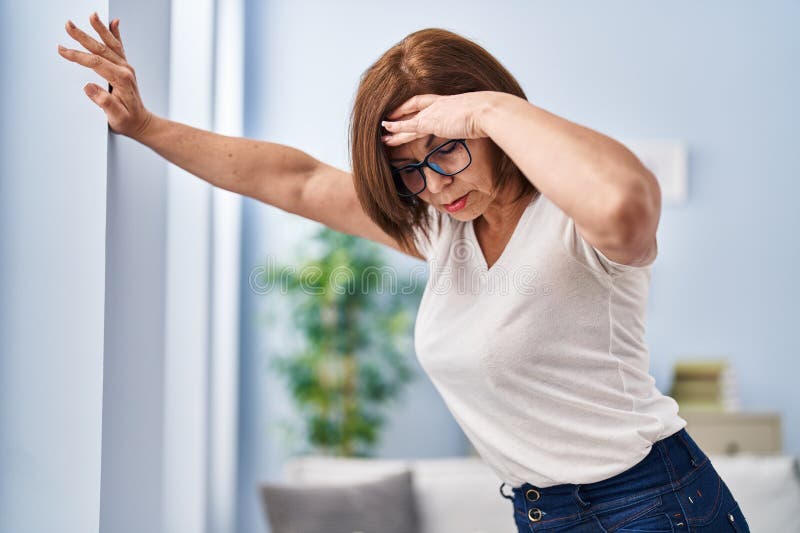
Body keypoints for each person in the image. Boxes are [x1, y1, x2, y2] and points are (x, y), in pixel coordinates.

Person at [58, 14, 751, 532]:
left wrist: (486, 106)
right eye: (410, 167)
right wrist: (144, 125)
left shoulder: (572, 218)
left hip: (655, 502)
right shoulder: (443, 228)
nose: (432, 181)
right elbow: (295, 180)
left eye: (446, 149)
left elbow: (628, 207)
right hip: (546, 513)